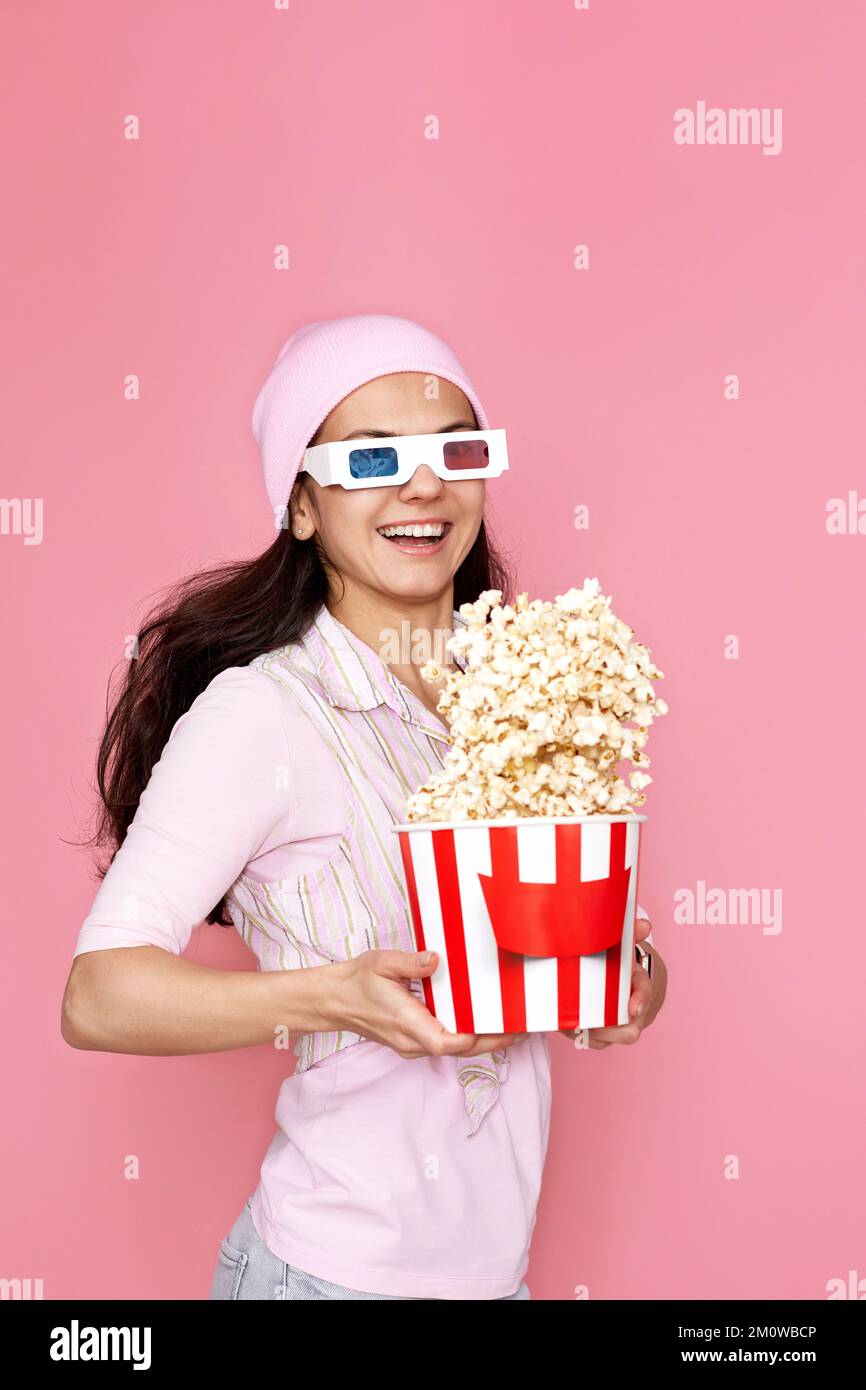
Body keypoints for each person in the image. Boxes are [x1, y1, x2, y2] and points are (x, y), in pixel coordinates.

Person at [61, 313, 667, 1300]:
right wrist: (331, 997)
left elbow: (552, 953)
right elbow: (98, 995)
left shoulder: (518, 691)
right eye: (370, 455)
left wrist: (618, 972)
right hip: (329, 1279)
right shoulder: (262, 712)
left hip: (493, 1280)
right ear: (301, 505)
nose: (420, 482)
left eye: (450, 449)